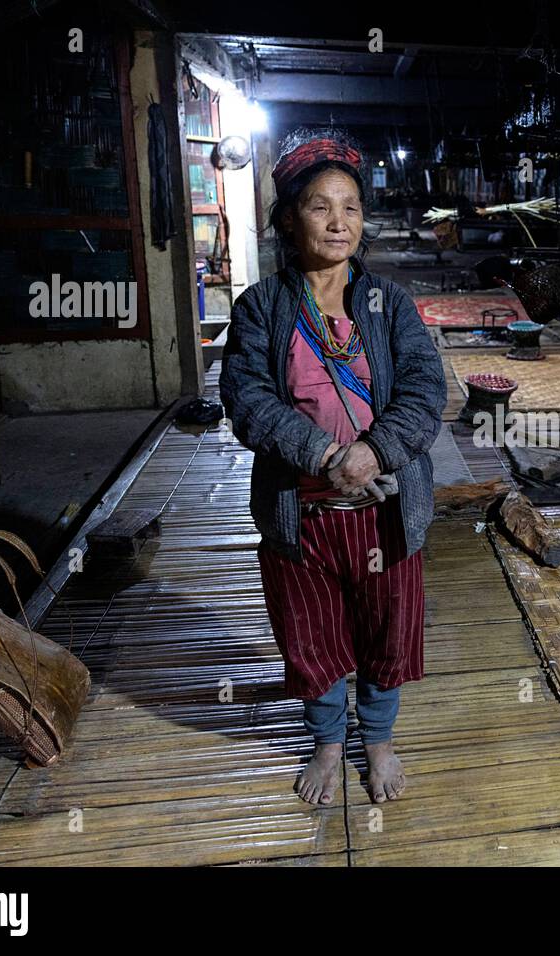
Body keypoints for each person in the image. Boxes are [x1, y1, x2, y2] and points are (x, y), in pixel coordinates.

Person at [219, 128, 445, 804]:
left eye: (350, 206)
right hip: (306, 517)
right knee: (311, 640)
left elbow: (426, 392)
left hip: (384, 515)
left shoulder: (390, 304)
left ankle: (377, 742)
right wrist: (322, 453)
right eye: (321, 206)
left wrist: (375, 450)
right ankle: (325, 743)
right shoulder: (262, 306)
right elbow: (247, 398)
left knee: (386, 638)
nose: (339, 221)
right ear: (290, 217)